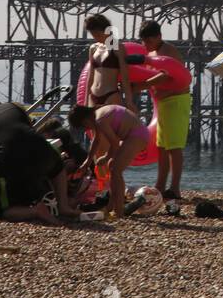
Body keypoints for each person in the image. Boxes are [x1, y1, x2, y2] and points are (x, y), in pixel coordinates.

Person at [0, 88, 76, 223]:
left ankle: (36, 210)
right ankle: (63, 206)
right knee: (58, 167)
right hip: (40, 150)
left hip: (9, 161)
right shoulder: (13, 107)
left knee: (6, 211)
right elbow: (29, 130)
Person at [138, 20, 190, 200]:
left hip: (176, 101)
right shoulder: (152, 52)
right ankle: (160, 185)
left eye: (148, 41)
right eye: (143, 41)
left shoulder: (167, 51)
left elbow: (166, 75)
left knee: (174, 147)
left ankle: (175, 188)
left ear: (158, 37)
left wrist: (141, 86)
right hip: (163, 104)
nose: (145, 45)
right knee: (161, 146)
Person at [68, 103, 149, 219]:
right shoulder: (98, 114)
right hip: (132, 135)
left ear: (85, 120)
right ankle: (111, 206)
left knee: (116, 170)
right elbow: (96, 141)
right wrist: (87, 161)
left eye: (84, 126)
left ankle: (119, 211)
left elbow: (115, 142)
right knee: (112, 167)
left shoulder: (100, 119)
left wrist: (106, 157)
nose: (86, 129)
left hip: (136, 135)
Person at [84, 14, 134, 110]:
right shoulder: (93, 48)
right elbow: (90, 76)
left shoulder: (118, 47)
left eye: (98, 34)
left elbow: (125, 77)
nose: (95, 37)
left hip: (110, 95)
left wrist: (129, 101)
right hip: (93, 96)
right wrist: (86, 100)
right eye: (93, 35)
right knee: (92, 124)